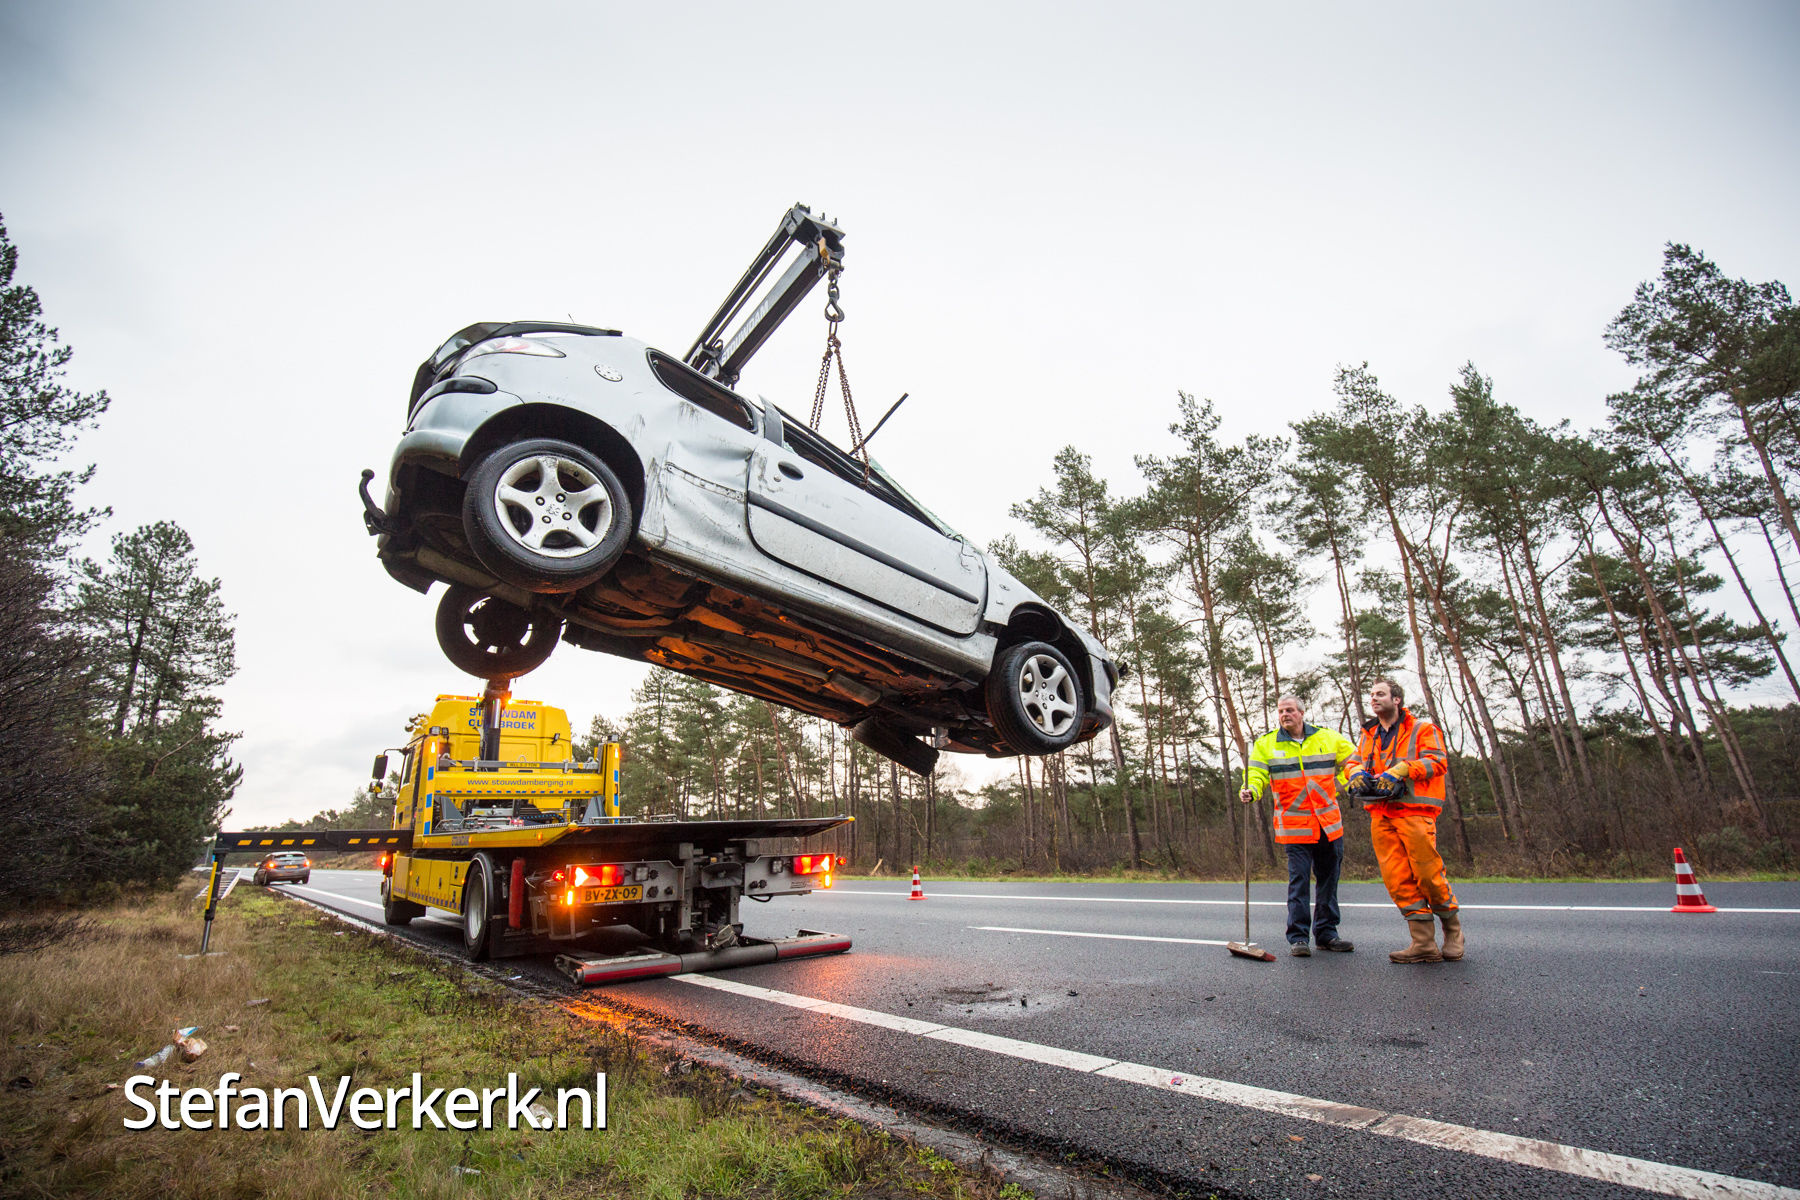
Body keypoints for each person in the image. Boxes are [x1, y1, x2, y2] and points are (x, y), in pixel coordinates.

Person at [1347, 678, 1462, 964]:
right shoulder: (1368, 733)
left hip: (1414, 811)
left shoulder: (1423, 729)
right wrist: (1356, 773)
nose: (1374, 699)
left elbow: (1437, 761)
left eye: (1381, 694)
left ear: (1396, 699)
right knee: (1397, 879)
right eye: (1371, 694)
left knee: (1428, 875)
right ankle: (1423, 943)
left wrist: (1402, 770)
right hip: (1380, 813)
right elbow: (1352, 761)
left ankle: (1453, 932)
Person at [1240, 694, 1358, 956]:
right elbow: (1256, 775)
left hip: (1328, 824)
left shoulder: (1328, 738)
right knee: (1299, 882)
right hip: (1294, 827)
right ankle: (1298, 938)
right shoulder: (1266, 744)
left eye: (1290, 710)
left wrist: (1347, 781)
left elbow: (1353, 761)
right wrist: (1250, 790)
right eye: (1281, 711)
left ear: (1302, 713)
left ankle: (1327, 934)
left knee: (1329, 881)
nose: (1285, 715)